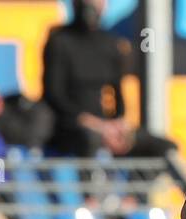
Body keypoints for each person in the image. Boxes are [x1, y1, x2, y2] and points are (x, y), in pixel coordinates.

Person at [41, 0, 175, 158]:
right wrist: (97, 125)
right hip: (70, 126)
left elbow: (118, 95)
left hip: (106, 126)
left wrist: (117, 125)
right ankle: (92, 182)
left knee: (165, 147)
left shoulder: (110, 43)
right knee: (90, 140)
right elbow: (54, 96)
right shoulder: (59, 41)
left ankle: (137, 183)